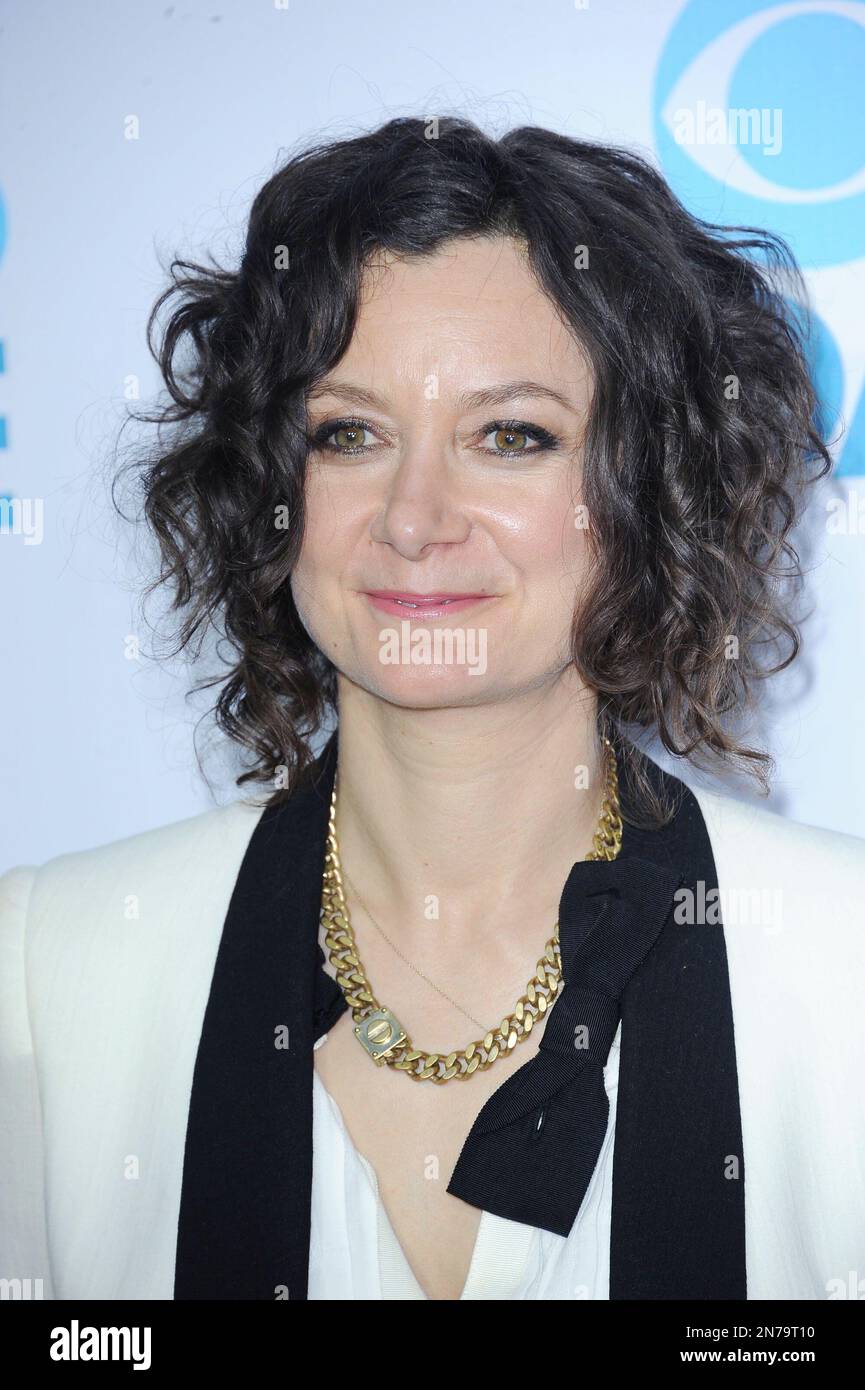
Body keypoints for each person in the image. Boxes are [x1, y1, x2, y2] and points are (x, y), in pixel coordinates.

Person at [2, 116, 864, 1303]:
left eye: (510, 435)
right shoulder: (46, 970)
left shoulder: (843, 966)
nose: (414, 517)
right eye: (348, 434)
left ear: (646, 490)